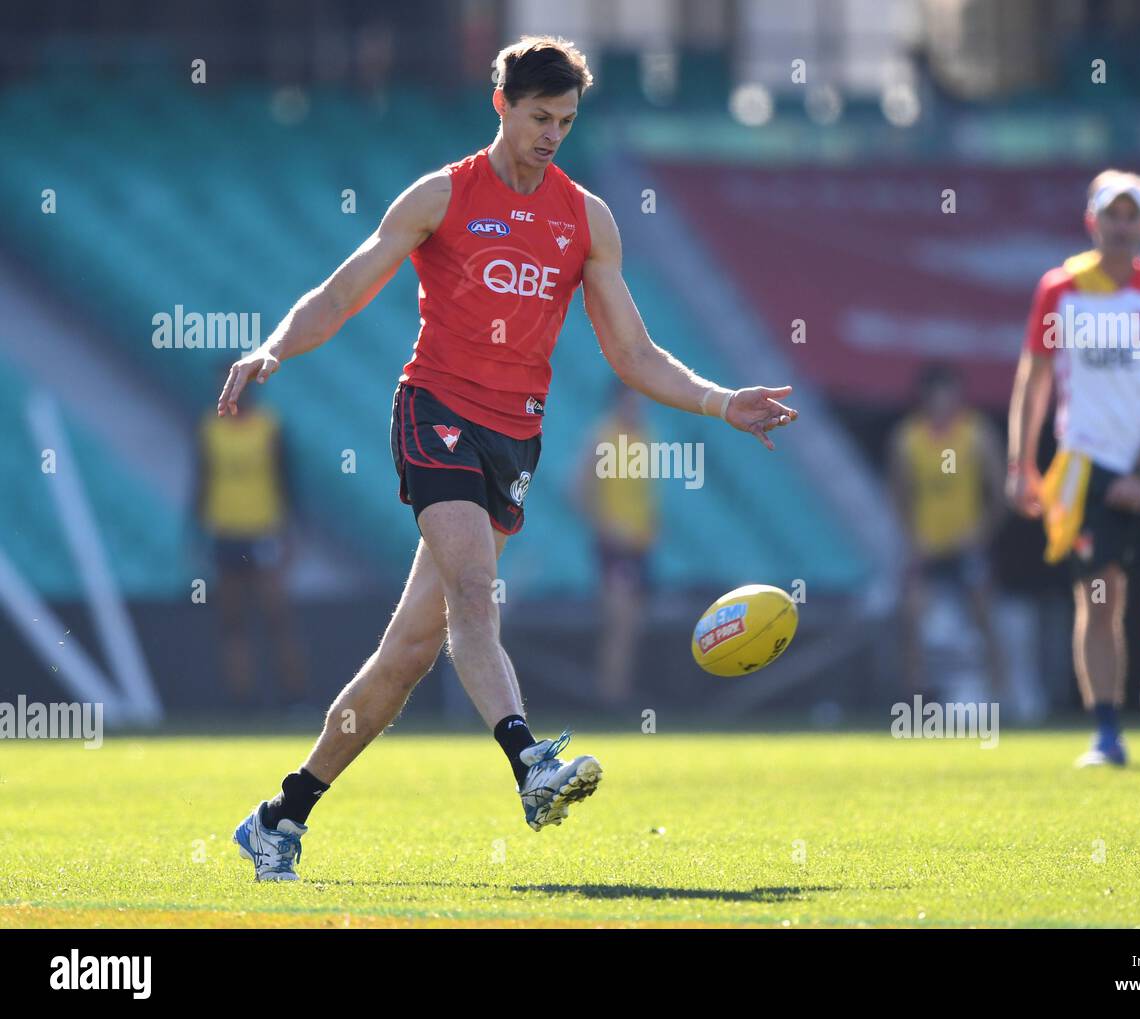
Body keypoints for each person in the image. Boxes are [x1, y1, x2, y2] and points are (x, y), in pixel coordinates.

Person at [220, 36, 798, 880]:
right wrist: (273, 347)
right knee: (473, 599)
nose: (552, 133)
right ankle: (531, 766)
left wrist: (720, 401)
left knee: (410, 651)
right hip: (435, 414)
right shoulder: (442, 197)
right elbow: (345, 288)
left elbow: (633, 355)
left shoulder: (585, 218)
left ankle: (280, 815)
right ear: (502, 104)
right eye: (538, 117)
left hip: (512, 438)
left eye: (565, 120)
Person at [1006, 169, 1140, 768]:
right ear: (1092, 222)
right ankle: (1107, 732)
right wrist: (1021, 463)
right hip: (1086, 466)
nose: (1121, 226)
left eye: (1131, 215)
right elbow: (1033, 379)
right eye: (1110, 215)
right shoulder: (1059, 290)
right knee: (1099, 597)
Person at [889, 364, 1006, 701]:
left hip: (966, 545)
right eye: (936, 395)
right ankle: (914, 702)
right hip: (927, 547)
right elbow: (898, 494)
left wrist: (981, 533)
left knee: (985, 616)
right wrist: (911, 539)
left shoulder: (976, 433)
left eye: (949, 394)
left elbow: (999, 492)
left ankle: (1004, 699)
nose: (943, 402)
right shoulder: (908, 438)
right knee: (912, 618)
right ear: (925, 398)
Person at [194, 373, 308, 709]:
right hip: (225, 534)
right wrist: (197, 535)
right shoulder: (209, 430)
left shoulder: (270, 428)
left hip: (264, 533)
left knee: (278, 619)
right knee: (233, 622)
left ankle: (295, 700)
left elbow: (288, 483)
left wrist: (291, 535)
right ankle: (243, 703)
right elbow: (200, 485)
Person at [574, 381, 660, 707]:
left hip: (641, 546)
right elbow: (578, 489)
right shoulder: (602, 437)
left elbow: (642, 495)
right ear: (618, 402)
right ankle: (610, 701)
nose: (638, 407)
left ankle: (617, 694)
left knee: (633, 624)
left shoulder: (644, 437)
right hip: (614, 547)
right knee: (620, 622)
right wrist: (605, 528)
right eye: (632, 401)